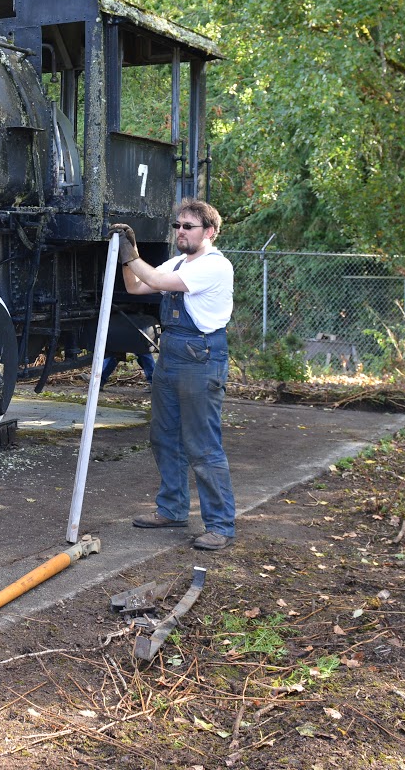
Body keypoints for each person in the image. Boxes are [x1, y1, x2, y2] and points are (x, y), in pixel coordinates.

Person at [109, 198, 237, 551]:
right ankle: (172, 509)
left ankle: (221, 525)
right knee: (164, 436)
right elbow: (137, 286)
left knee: (202, 446)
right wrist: (125, 259)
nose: (180, 231)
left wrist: (131, 253)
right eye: (177, 225)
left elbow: (157, 278)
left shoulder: (214, 266)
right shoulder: (179, 261)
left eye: (188, 226)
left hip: (201, 357)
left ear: (209, 232)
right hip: (171, 355)